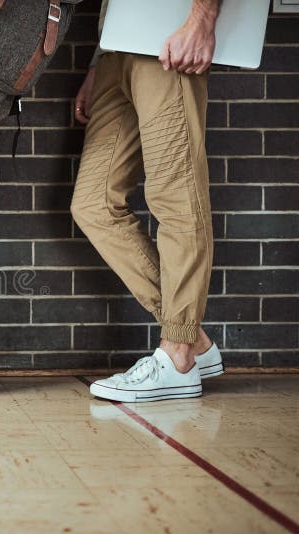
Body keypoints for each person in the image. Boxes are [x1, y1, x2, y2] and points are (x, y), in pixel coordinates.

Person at [71, 0, 225, 402]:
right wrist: (98, 59)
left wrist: (202, 19)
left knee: (176, 195)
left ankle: (178, 358)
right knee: (93, 204)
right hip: (117, 48)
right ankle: (194, 341)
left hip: (169, 39)